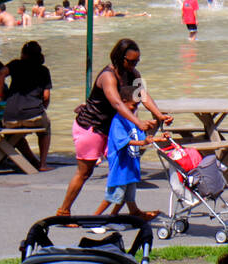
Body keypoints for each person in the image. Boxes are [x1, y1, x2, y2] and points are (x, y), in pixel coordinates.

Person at [57, 39, 173, 217]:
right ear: (120, 58)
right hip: (92, 127)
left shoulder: (132, 74)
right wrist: (138, 122)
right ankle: (63, 211)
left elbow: (143, 95)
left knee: (124, 167)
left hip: (113, 128)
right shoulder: (107, 76)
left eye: (137, 61)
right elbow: (117, 103)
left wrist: (159, 115)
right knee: (85, 171)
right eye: (131, 61)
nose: (134, 65)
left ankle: (133, 211)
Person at [0, 41, 53, 171]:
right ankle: (42, 164)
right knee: (46, 128)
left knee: (12, 135)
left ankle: (32, 160)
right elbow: (46, 96)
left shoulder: (15, 64)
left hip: (11, 116)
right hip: (34, 114)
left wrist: (0, 94)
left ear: (23, 53)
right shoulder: (43, 70)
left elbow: (1, 73)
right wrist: (43, 107)